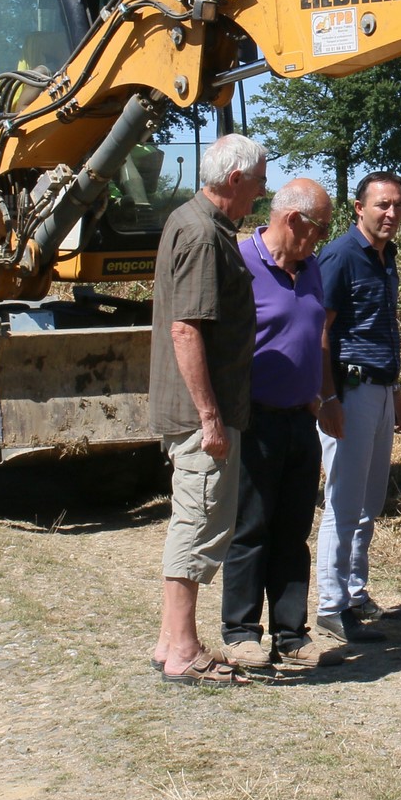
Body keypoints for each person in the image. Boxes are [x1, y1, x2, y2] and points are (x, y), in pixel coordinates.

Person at [149, 133, 267, 686]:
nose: (262, 193)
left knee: (192, 519)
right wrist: (211, 417)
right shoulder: (202, 234)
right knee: (197, 524)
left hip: (206, 410)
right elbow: (185, 329)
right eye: (260, 181)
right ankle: (184, 650)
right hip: (204, 415)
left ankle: (171, 640)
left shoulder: (195, 221)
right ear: (237, 179)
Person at [219, 178, 342, 670]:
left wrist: (325, 398)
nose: (320, 239)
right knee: (251, 528)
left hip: (300, 420)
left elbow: (318, 336)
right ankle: (241, 632)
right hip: (255, 420)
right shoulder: (241, 262)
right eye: (318, 228)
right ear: (292, 220)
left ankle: (291, 635)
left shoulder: (310, 269)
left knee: (293, 531)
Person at [313, 171, 401, 644]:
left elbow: (383, 325)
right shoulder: (341, 256)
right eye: (382, 205)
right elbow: (321, 332)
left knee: (368, 502)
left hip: (379, 389)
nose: (391, 214)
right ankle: (331, 606)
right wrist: (327, 398)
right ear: (359, 208)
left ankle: (354, 592)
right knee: (343, 502)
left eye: (397, 206)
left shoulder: (386, 256)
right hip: (348, 393)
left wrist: (395, 389)